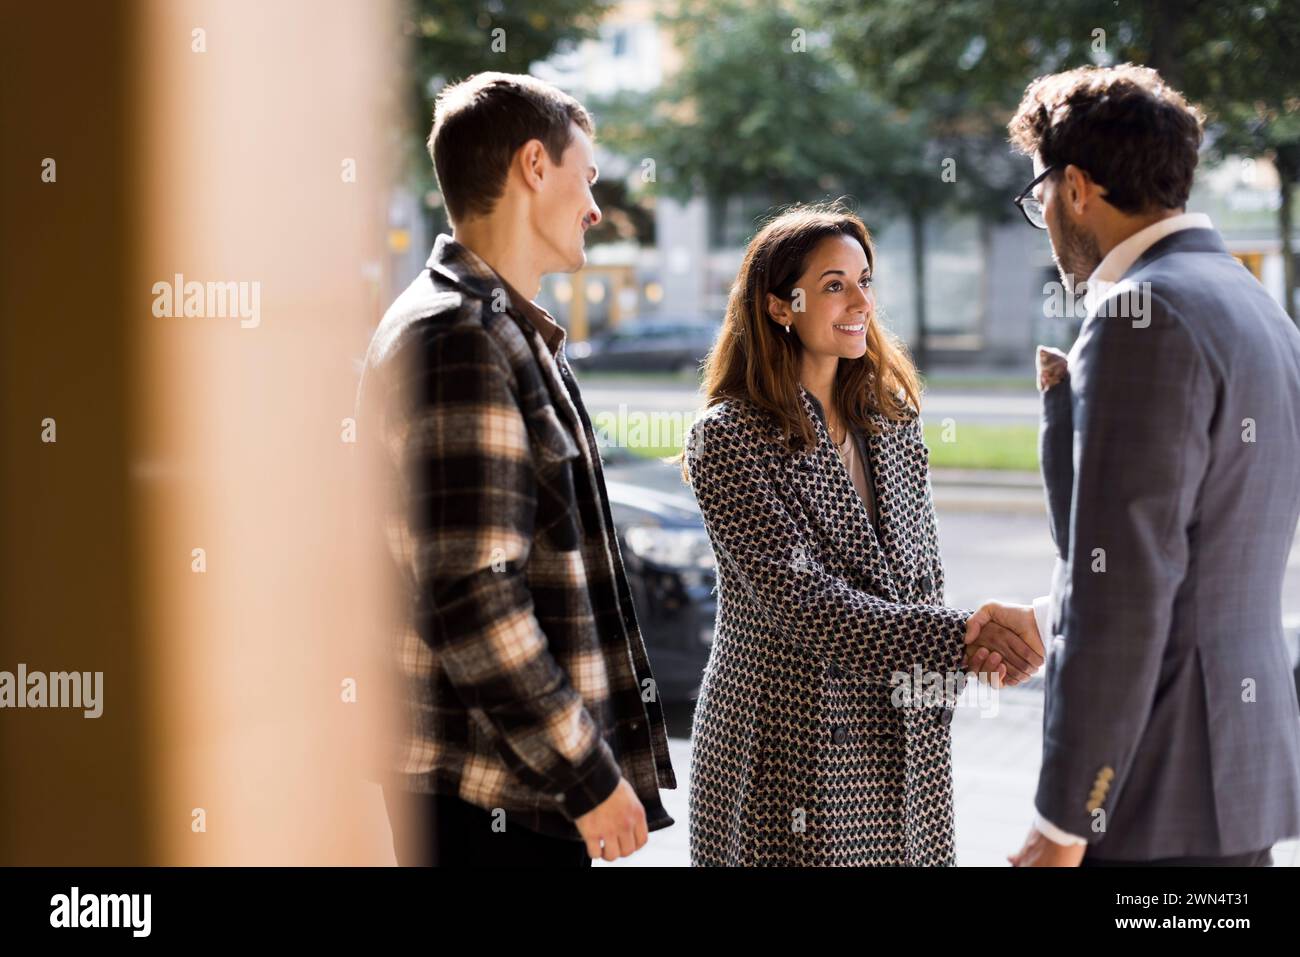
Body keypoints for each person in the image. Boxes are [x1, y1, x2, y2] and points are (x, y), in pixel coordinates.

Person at [356, 72, 676, 866]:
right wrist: (587, 773)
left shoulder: (504, 329)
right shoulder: (458, 335)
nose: (597, 209)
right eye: (587, 177)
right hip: (490, 801)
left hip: (513, 790)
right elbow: (473, 592)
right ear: (535, 165)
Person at [988, 63, 1300, 866]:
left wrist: (1063, 823)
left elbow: (1127, 589)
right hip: (1230, 781)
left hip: (1149, 792)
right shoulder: (1257, 306)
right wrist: (1051, 614)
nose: (1046, 219)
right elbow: (1201, 552)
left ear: (1078, 187)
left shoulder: (1142, 313)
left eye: (1039, 198)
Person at [681, 202, 1044, 866]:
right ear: (778, 306)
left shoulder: (891, 419)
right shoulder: (727, 438)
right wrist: (968, 637)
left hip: (902, 741)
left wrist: (971, 654)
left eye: (865, 279)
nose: (859, 300)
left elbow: (924, 583)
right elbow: (810, 606)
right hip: (785, 753)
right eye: (833, 284)